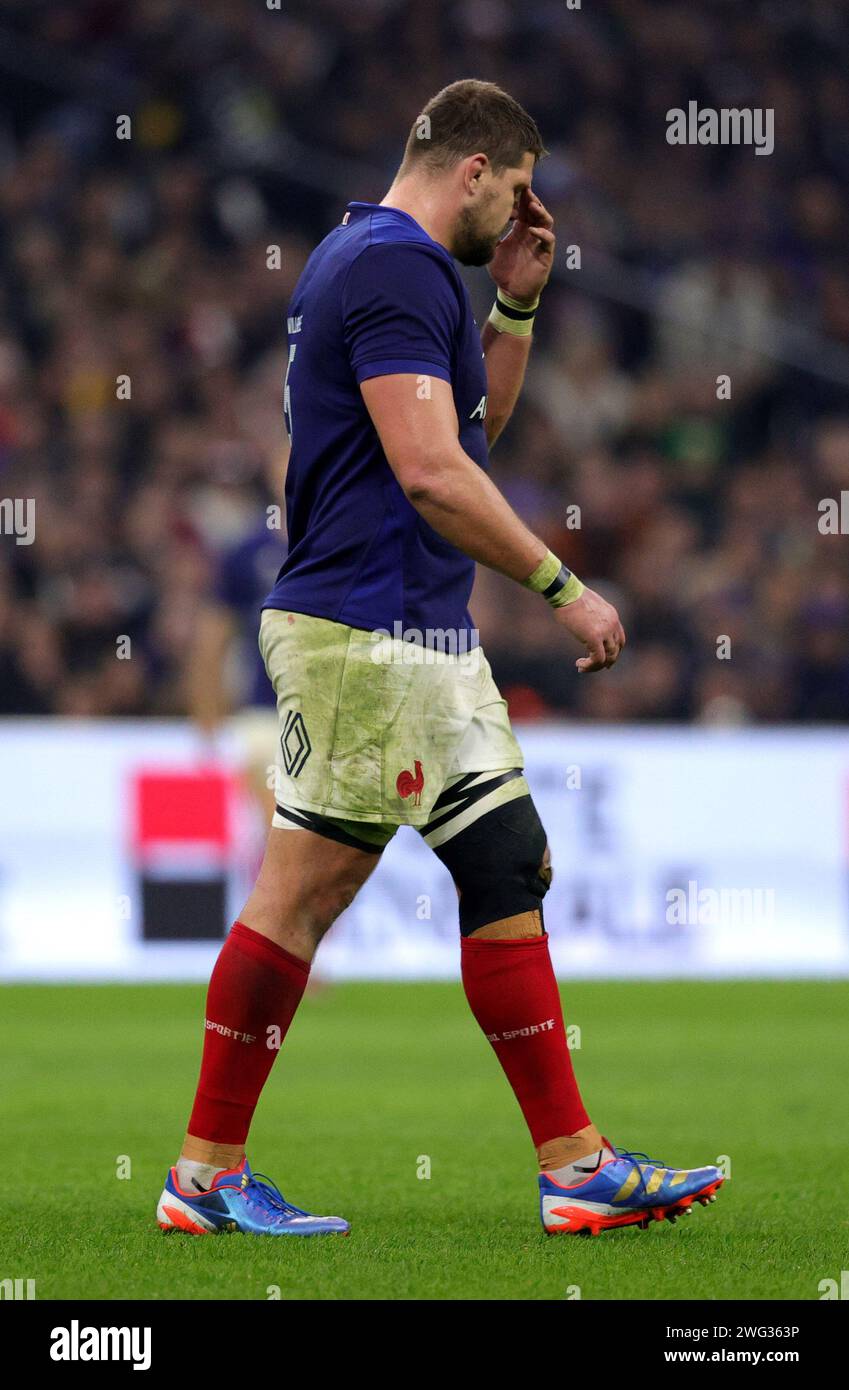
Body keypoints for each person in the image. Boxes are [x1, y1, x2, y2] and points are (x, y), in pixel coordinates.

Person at [157, 80, 722, 1239]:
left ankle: (567, 1164)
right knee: (308, 898)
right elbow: (429, 474)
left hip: (397, 632)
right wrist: (561, 588)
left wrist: (511, 311)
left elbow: (465, 442)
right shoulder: (399, 268)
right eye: (515, 192)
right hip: (374, 634)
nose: (521, 216)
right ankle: (210, 1177)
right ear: (473, 170)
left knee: (493, 865)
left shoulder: (365, 265)